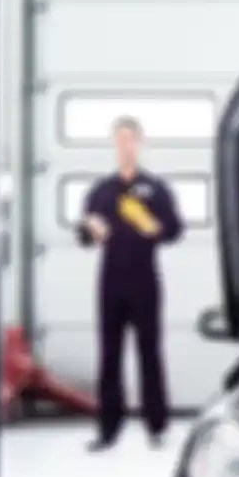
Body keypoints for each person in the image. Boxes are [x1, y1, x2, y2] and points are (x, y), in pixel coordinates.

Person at [77, 116, 184, 452]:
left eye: (131, 139)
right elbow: (82, 235)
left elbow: (176, 229)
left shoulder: (155, 188)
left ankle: (157, 426)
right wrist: (90, 230)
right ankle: (108, 429)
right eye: (119, 139)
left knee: (149, 352)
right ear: (113, 143)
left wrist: (157, 228)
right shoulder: (101, 191)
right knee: (109, 355)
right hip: (110, 281)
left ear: (140, 143)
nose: (125, 145)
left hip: (145, 280)